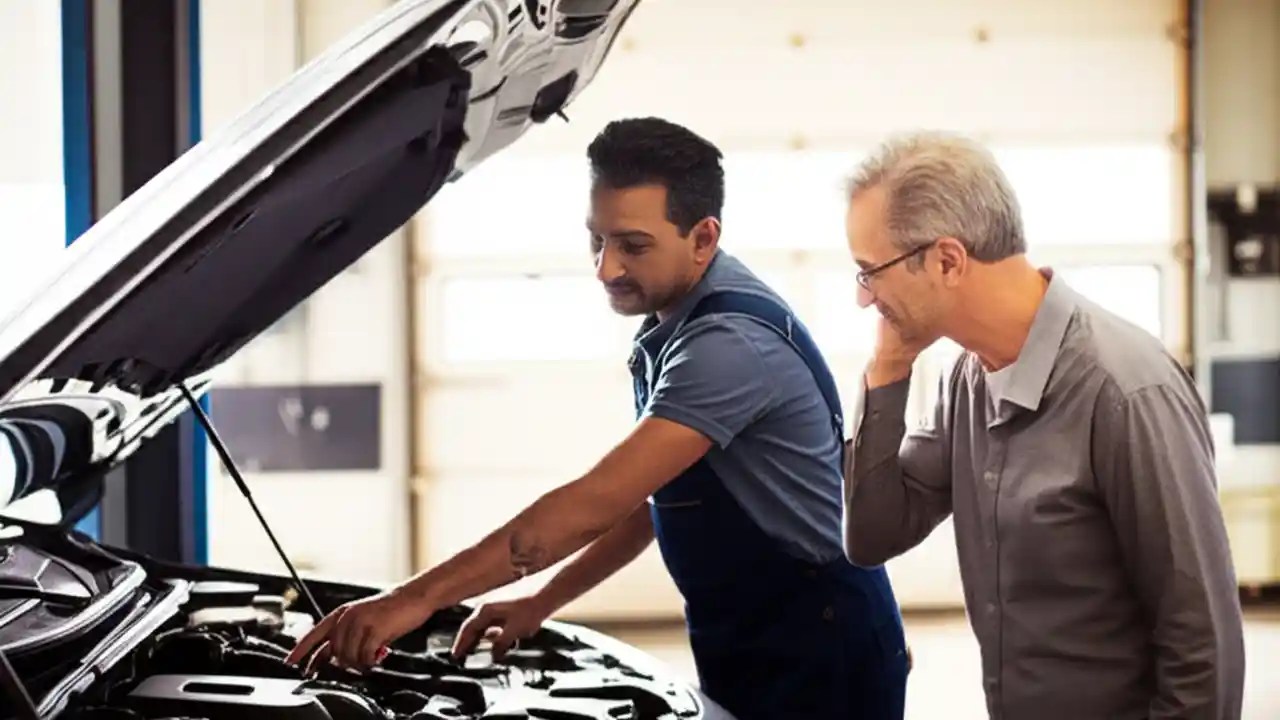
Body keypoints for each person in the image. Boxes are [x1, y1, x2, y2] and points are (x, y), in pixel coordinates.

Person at [285, 117, 910, 718]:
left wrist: (412, 600)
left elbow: (595, 501)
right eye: (597, 238)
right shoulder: (679, 320)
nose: (606, 268)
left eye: (633, 246)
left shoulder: (726, 346)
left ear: (703, 239)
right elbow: (653, 500)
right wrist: (542, 601)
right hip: (757, 641)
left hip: (821, 651)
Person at [839, 130, 1246, 719]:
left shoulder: (1125, 391)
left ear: (948, 260)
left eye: (870, 272)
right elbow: (873, 536)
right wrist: (887, 372)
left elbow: (1203, 643)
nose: (864, 298)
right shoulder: (967, 382)